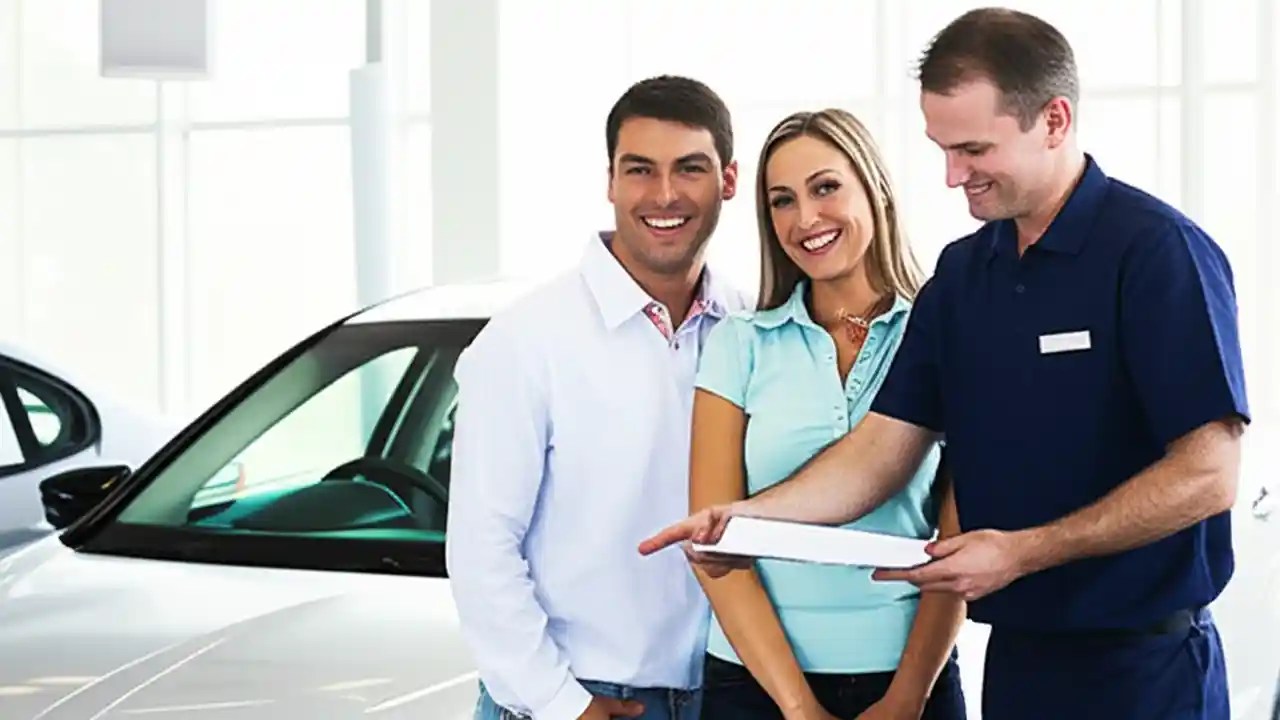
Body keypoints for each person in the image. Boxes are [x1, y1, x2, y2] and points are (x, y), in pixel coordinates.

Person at [640, 9, 1248, 720]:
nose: (954, 175)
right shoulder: (963, 278)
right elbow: (879, 454)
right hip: (1020, 663)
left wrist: (1024, 552)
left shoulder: (1156, 253)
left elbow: (1211, 472)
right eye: (943, 149)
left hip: (1146, 668)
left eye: (973, 149)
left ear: (1054, 121)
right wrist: (740, 521)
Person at [446, 74, 748, 720]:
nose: (664, 194)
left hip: (731, 697)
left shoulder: (753, 327)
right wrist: (562, 705)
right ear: (610, 181)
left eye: (689, 169)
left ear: (727, 179)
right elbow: (480, 549)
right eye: (640, 169)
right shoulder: (527, 340)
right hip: (576, 701)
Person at [687, 108, 967, 720]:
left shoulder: (944, 333)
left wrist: (907, 697)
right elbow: (717, 544)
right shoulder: (740, 344)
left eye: (825, 187)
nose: (805, 218)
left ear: (875, 188)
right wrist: (798, 708)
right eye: (782, 201)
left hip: (911, 679)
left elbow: (957, 541)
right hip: (754, 686)